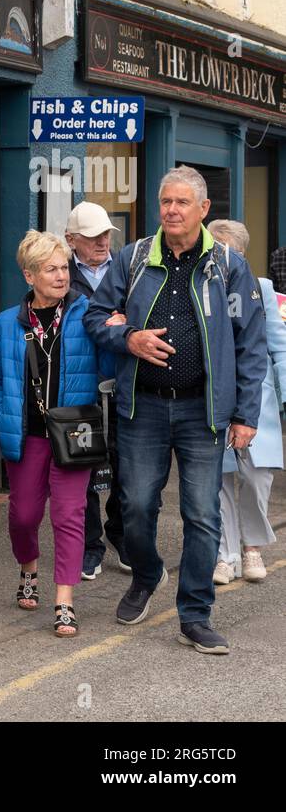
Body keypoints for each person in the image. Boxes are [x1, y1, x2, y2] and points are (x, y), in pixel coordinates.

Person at [84, 166, 267, 655]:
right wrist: (129, 338)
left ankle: (195, 615)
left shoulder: (227, 265)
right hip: (142, 408)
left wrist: (246, 414)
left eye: (182, 202)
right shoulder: (134, 259)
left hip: (202, 412)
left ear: (203, 210)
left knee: (202, 515)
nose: (172, 210)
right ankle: (146, 575)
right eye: (166, 201)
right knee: (138, 506)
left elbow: (251, 344)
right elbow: (95, 316)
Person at [0, 232, 112, 637]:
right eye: (51, 269)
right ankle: (28, 567)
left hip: (75, 433)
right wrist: (1, 415)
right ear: (29, 274)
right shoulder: (6, 323)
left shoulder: (87, 313)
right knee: (24, 515)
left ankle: (64, 600)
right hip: (26, 435)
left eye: (64, 268)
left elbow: (109, 366)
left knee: (69, 515)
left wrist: (115, 331)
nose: (61, 276)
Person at [207, 220, 285, 585]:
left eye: (231, 252)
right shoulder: (202, 285)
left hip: (258, 400)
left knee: (256, 479)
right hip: (215, 399)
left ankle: (253, 546)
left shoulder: (262, 287)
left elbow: (278, 345)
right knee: (218, 479)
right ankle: (226, 555)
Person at [63, 202, 129, 579]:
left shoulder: (127, 268)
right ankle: (90, 546)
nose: (102, 241)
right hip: (79, 387)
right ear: (72, 240)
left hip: (122, 384)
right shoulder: (61, 272)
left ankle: (119, 534)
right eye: (92, 237)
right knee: (82, 471)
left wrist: (126, 321)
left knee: (126, 469)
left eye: (105, 234)